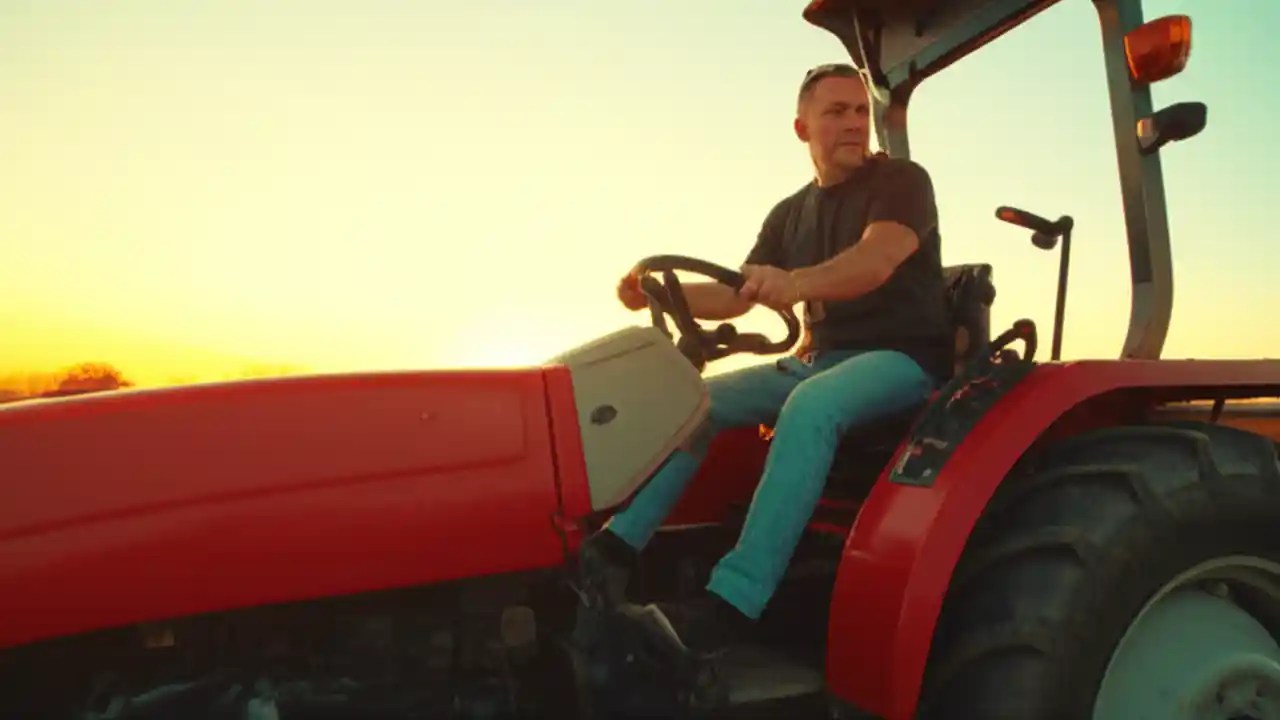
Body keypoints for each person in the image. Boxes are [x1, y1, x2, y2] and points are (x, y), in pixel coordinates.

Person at [580, 63, 953, 658]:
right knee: (693, 406)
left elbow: (874, 261)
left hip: (901, 359)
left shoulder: (903, 182)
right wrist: (657, 291)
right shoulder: (790, 213)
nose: (855, 123)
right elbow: (736, 293)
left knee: (811, 406)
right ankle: (610, 552)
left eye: (861, 111)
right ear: (803, 127)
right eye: (837, 112)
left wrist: (798, 282)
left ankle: (734, 601)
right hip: (821, 358)